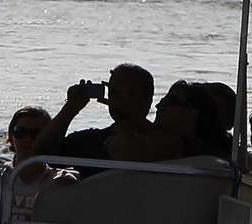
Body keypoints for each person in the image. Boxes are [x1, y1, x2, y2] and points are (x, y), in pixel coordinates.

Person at [35, 63, 186, 170]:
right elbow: (42, 154)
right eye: (114, 93)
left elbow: (128, 153)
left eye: (130, 94)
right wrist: (70, 108)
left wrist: (128, 125)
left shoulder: (168, 142)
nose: (121, 100)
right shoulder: (91, 141)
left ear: (147, 100)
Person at [0, 106, 75, 219]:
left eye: (36, 134)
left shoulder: (61, 180)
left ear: (47, 139)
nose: (27, 139)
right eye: (20, 132)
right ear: (11, 137)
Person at [155, 80, 228, 158]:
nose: (159, 106)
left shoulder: (214, 161)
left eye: (172, 101)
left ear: (194, 113)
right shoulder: (150, 145)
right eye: (163, 100)